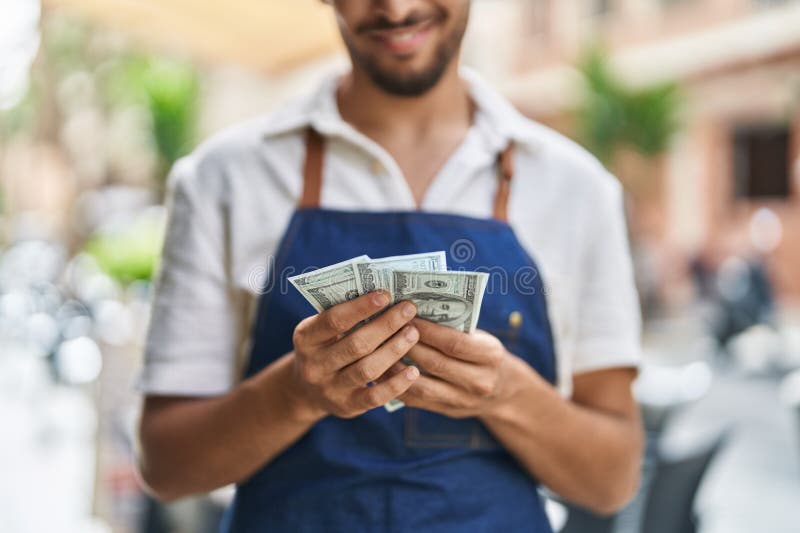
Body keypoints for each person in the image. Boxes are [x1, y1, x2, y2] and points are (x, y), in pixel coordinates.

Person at [136, 1, 644, 531]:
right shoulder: (221, 181)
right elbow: (166, 467)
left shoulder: (578, 191)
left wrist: (508, 395)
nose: (398, 8)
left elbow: (612, 482)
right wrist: (293, 393)